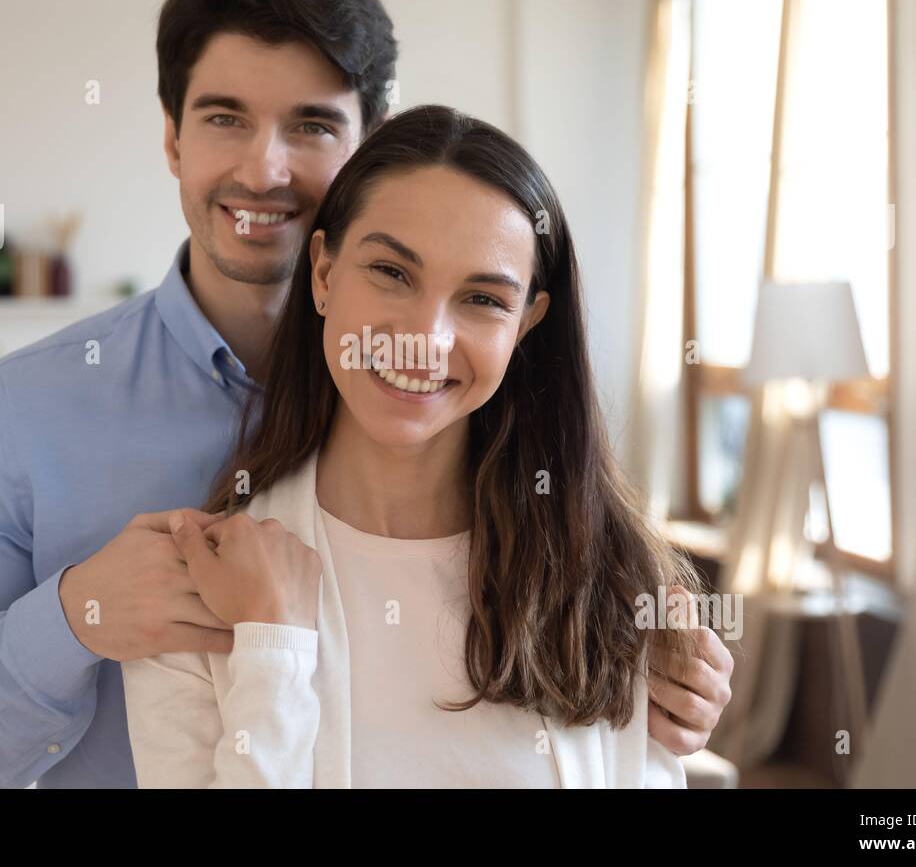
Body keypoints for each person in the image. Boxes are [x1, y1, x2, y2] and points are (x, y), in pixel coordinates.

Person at [0, 0, 732, 789]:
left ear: (370, 143)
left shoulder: (498, 442)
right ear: (172, 137)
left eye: (311, 124)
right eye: (224, 117)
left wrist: (669, 675)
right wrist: (78, 614)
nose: (263, 168)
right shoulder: (26, 410)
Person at [124, 104, 703, 787]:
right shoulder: (196, 588)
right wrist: (271, 649)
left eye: (483, 300)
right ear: (323, 274)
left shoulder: (610, 580)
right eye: (392, 273)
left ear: (527, 325)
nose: (424, 339)